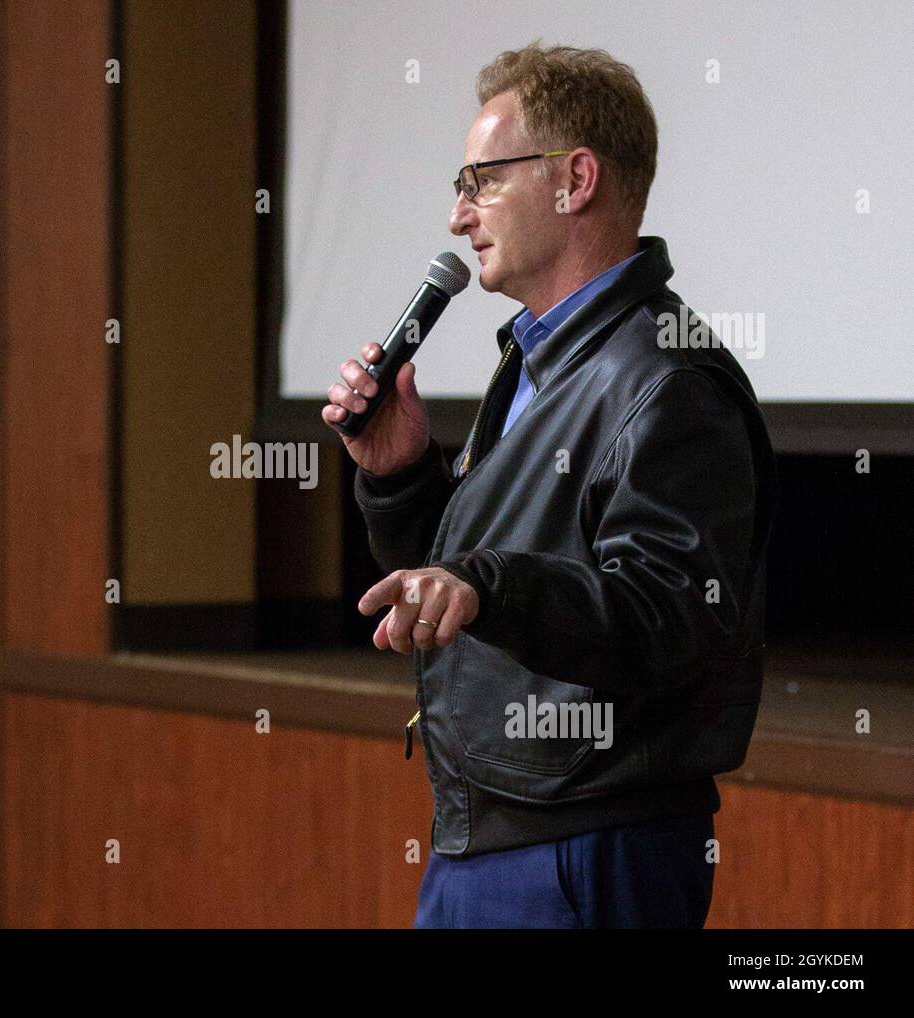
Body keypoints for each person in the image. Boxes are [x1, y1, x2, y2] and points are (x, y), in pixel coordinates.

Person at [321, 43, 777, 928]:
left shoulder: (666, 380)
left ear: (574, 181)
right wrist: (400, 477)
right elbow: (456, 591)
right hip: (489, 835)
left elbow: (666, 617)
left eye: (480, 180)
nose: (459, 216)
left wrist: (485, 584)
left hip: (582, 853)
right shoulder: (542, 357)